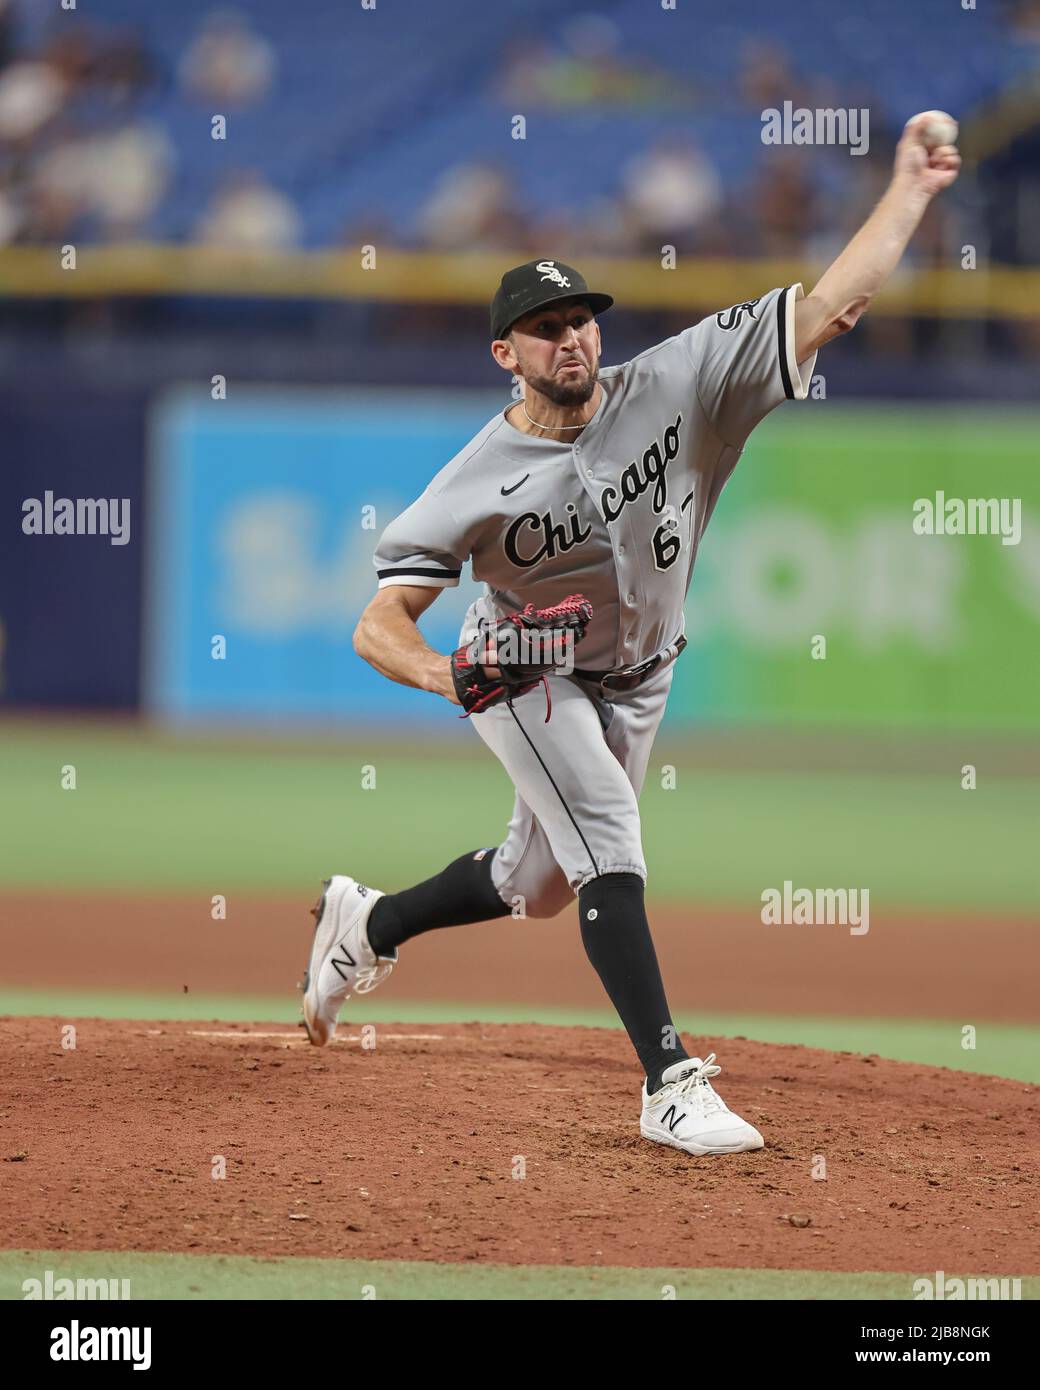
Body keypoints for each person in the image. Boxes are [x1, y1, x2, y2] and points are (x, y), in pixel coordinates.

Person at [300, 113, 961, 1158]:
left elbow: (834, 299)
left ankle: (365, 923)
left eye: (582, 319)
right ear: (504, 352)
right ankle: (667, 1083)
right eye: (546, 325)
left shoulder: (683, 382)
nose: (572, 337)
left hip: (642, 676)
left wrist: (911, 193)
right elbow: (377, 621)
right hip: (527, 667)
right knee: (605, 827)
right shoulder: (473, 479)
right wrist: (444, 674)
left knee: (538, 884)